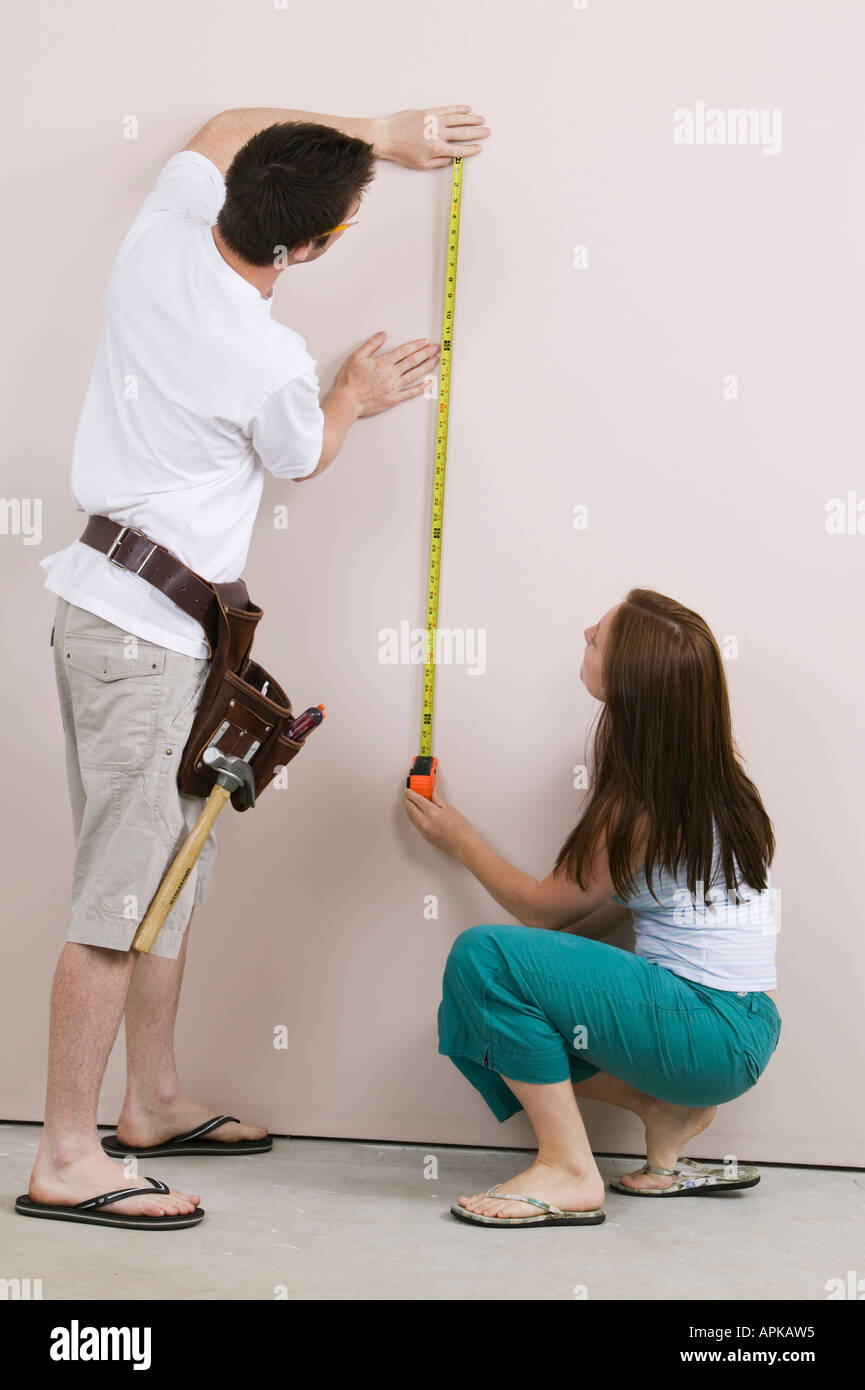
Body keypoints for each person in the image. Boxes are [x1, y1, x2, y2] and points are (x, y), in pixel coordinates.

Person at [21, 104, 490, 1229]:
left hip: (122, 617)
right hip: (147, 642)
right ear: (307, 249)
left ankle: (154, 1100)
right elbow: (304, 455)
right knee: (119, 899)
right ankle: (67, 1156)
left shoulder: (166, 233)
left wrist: (383, 132)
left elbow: (230, 119)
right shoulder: (270, 359)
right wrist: (351, 396)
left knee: (170, 875)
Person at [403, 589, 781, 1227]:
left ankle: (569, 1170)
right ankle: (662, 1115)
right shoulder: (711, 776)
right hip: (744, 1028)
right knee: (471, 1022)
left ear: (630, 685)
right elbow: (630, 909)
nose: (584, 633)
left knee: (482, 959)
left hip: (710, 1029)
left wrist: (458, 838)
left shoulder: (641, 801)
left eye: (597, 638)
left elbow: (542, 910)